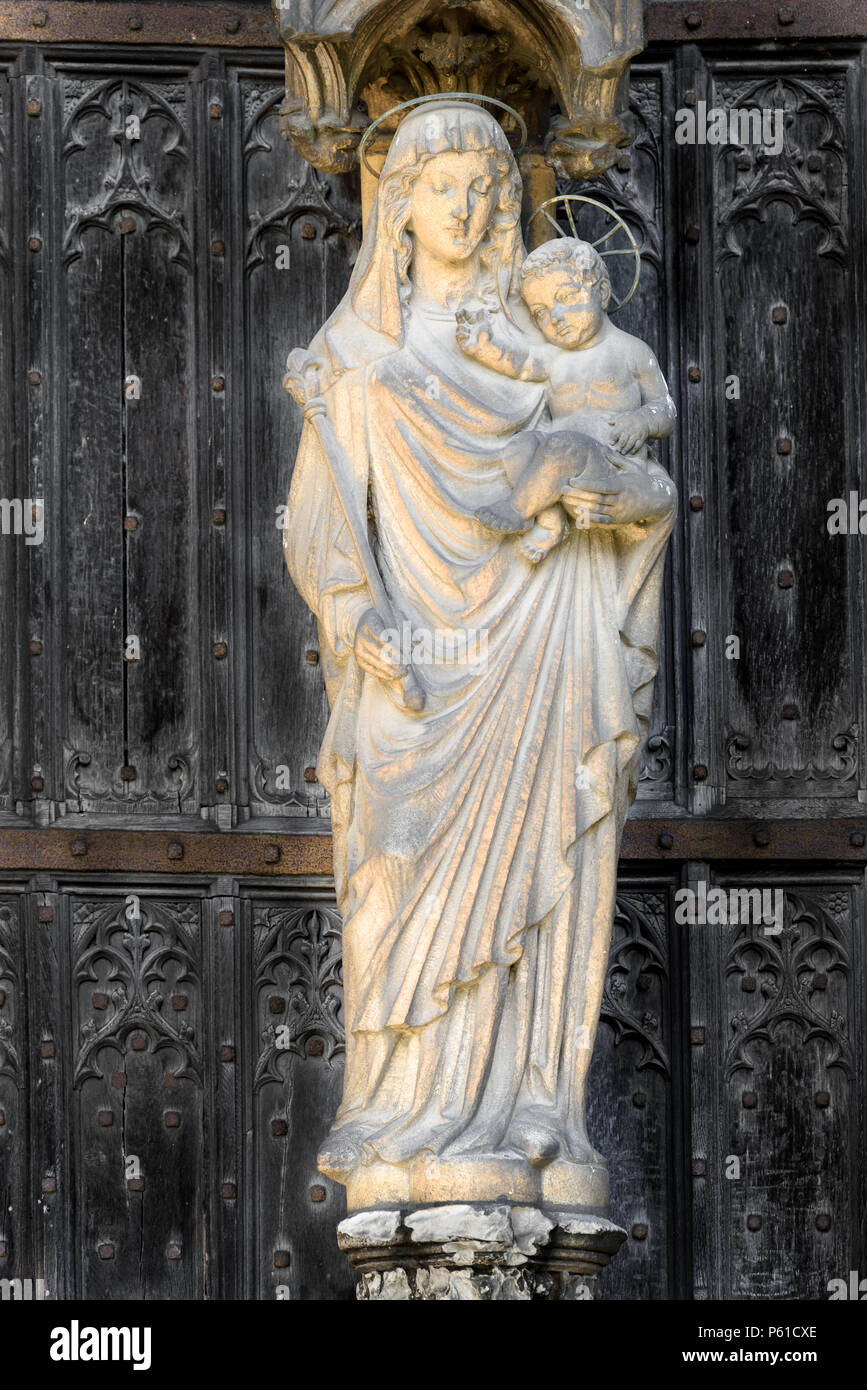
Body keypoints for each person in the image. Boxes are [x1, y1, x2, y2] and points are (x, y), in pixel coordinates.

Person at [283, 100, 677, 1209]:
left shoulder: (553, 348)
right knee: (391, 866)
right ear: (399, 205)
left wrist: (616, 503)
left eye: (483, 187)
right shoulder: (354, 356)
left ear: (505, 205)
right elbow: (320, 526)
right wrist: (357, 620)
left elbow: (640, 482)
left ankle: (533, 1107)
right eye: (439, 185)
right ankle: (394, 1107)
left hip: (544, 642)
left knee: (546, 862)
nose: (462, 206)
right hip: (412, 669)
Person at [454, 237, 677, 563]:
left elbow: (666, 408)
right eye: (540, 312)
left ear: (601, 291)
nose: (555, 317)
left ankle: (517, 509)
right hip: (561, 461)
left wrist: (642, 421)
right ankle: (551, 520)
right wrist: (484, 348)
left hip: (609, 464)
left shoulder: (631, 351)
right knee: (519, 448)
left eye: (566, 297)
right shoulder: (555, 358)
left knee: (563, 445)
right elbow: (520, 364)